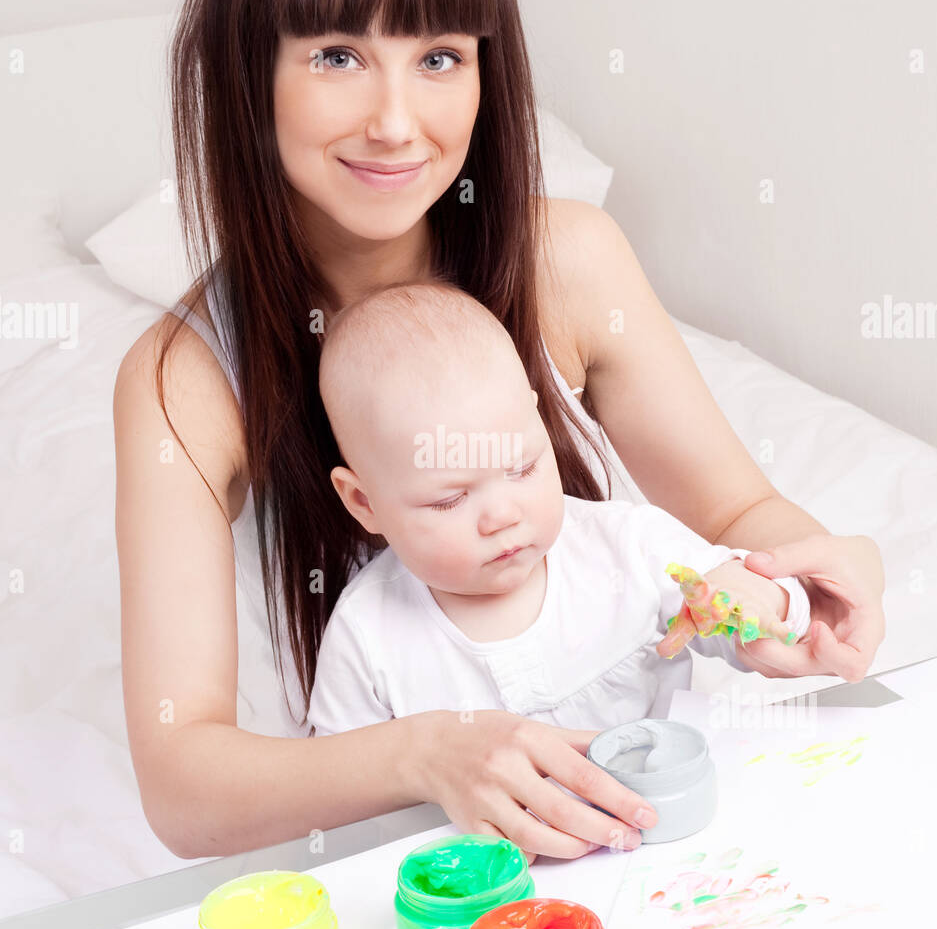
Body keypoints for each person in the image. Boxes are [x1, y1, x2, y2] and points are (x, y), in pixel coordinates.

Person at [113, 0, 885, 864]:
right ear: (247, 78)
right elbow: (184, 781)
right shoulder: (183, 381)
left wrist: (817, 579)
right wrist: (432, 754)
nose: (397, 123)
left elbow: (737, 518)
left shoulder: (570, 259)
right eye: (337, 56)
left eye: (439, 57)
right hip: (416, 839)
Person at [307, 280, 813, 789]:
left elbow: (767, 611)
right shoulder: (366, 636)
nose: (501, 515)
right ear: (363, 502)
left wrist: (753, 598)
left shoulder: (627, 547)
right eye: (449, 500)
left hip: (663, 821)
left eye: (522, 468)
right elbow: (339, 790)